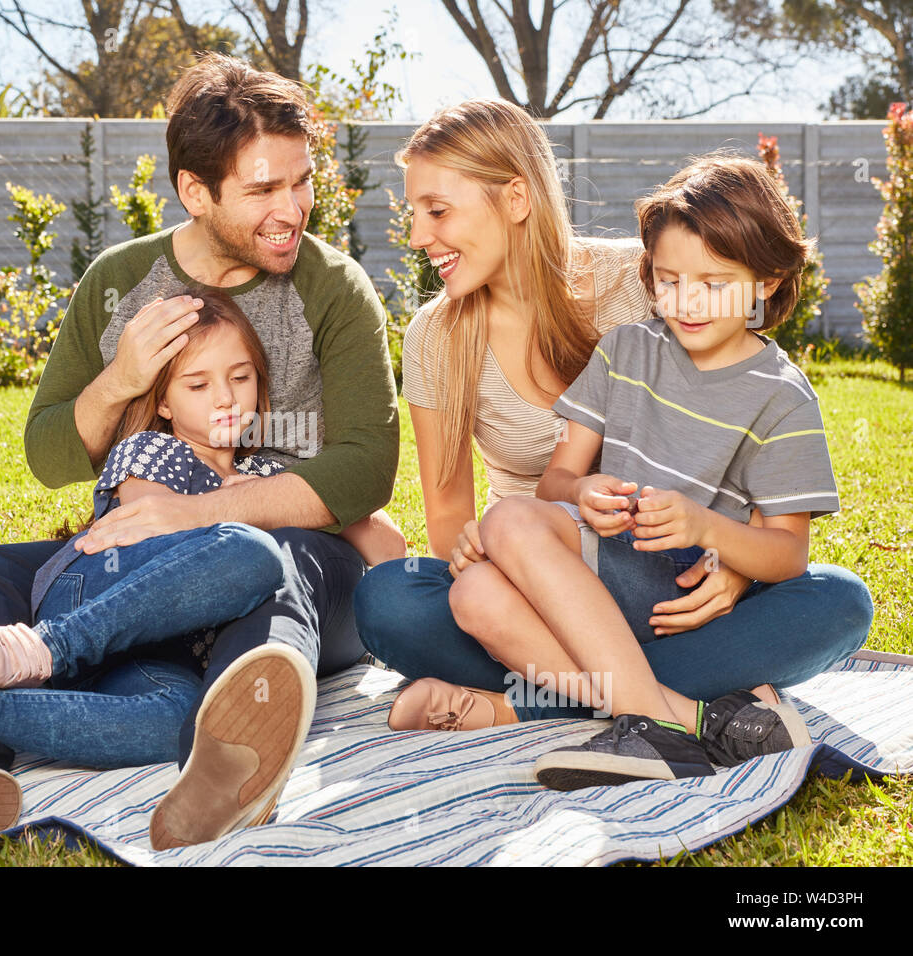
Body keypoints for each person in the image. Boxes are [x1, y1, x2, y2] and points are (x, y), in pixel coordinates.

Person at [0, 54, 399, 850]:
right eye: (263, 190)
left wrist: (194, 514)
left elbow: (365, 468)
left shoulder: (334, 287)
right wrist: (119, 380)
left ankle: (238, 751)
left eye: (301, 182)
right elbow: (49, 451)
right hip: (143, 563)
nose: (292, 209)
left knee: (267, 560)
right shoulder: (122, 281)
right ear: (196, 191)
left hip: (286, 551)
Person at [354, 100, 872, 737]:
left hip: (678, 584)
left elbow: (748, 423)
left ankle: (543, 701)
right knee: (388, 600)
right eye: (414, 214)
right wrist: (474, 549)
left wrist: (733, 566)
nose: (416, 236)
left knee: (838, 603)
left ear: (516, 196)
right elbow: (452, 523)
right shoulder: (437, 336)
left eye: (436, 210)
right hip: (532, 581)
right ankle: (674, 709)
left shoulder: (647, 277)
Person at [455, 153, 834, 789]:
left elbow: (786, 557)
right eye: (667, 279)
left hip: (686, 595)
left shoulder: (783, 397)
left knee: (837, 602)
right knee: (469, 591)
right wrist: (583, 489)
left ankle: (639, 715)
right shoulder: (625, 350)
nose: (685, 302)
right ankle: (684, 718)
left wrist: (705, 525)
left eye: (714, 284)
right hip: (592, 572)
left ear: (766, 282)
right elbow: (555, 485)